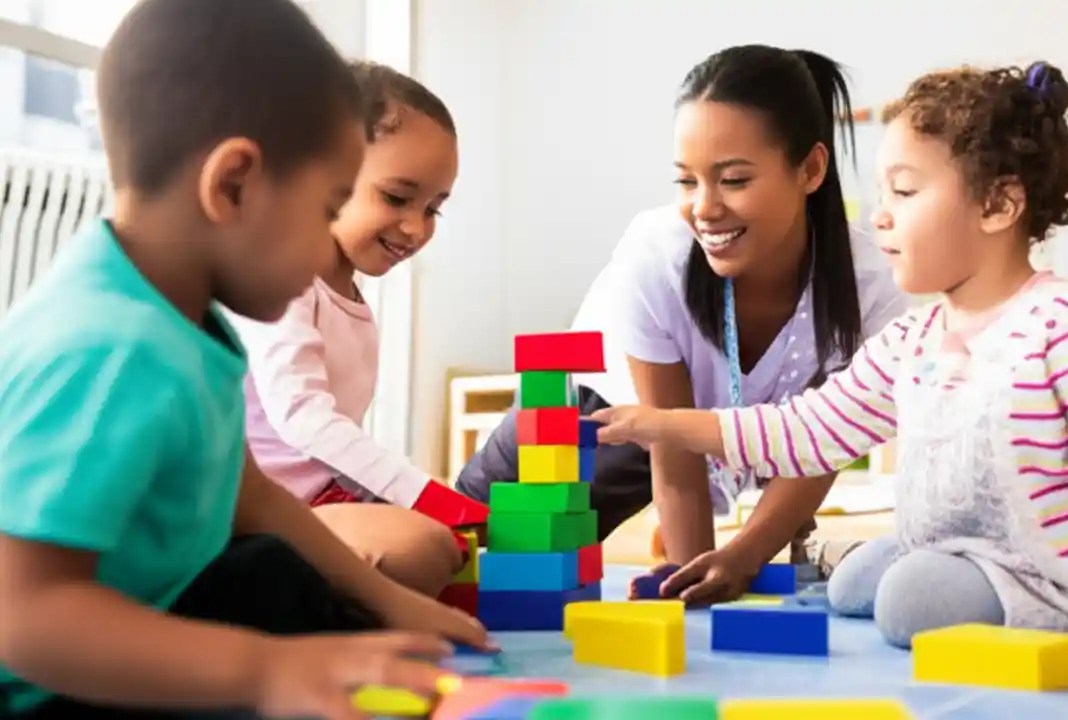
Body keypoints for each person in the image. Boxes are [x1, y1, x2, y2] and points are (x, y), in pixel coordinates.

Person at [589, 60, 1068, 679]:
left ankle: (956, 574)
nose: (881, 220)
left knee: (903, 599)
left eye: (907, 194)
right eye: (882, 197)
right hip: (975, 550)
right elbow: (808, 429)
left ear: (997, 205)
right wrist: (668, 425)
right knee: (856, 579)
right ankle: (928, 562)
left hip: (1066, 586)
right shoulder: (913, 338)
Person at [0, 1, 490, 718]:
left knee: (281, 577)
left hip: (156, 609)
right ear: (232, 185)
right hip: (48, 688)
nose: (330, 248)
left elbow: (248, 493)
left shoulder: (184, 321)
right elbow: (23, 620)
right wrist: (262, 671)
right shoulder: (108, 347)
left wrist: (388, 599)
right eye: (326, 210)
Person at [455, 45, 907, 588]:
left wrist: (739, 559)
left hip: (757, 435)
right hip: (603, 419)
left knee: (758, 560)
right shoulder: (657, 254)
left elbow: (825, 439)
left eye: (734, 180)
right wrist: (692, 582)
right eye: (688, 181)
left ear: (810, 169)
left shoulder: (875, 284)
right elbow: (674, 461)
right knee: (463, 555)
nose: (705, 208)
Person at [231, 61, 466, 598]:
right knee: (423, 549)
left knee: (441, 549)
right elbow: (304, 421)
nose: (416, 227)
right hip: (257, 517)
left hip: (318, 502)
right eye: (396, 197)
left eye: (434, 209)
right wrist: (425, 494)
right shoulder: (283, 279)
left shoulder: (347, 294)